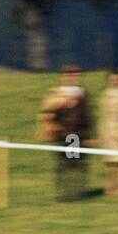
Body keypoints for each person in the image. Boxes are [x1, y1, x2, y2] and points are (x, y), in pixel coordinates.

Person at [38, 64, 94, 201]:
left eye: (76, 75)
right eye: (70, 75)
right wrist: (51, 129)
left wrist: (90, 136)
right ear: (64, 77)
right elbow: (48, 114)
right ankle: (63, 193)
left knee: (79, 165)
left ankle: (78, 192)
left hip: (79, 135)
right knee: (64, 165)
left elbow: (87, 115)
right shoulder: (56, 93)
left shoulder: (83, 93)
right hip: (64, 135)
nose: (73, 77)